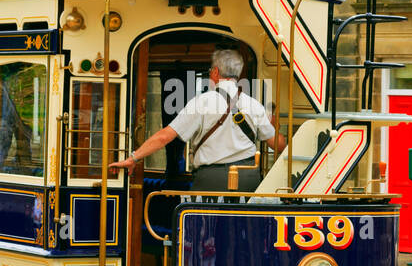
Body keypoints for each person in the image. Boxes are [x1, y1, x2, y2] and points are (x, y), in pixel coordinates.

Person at [109, 49, 286, 192]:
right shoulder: (254, 105)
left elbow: (164, 137)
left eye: (210, 71)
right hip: (248, 179)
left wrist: (133, 158)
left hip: (212, 180)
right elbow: (278, 145)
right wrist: (273, 124)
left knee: (202, 232)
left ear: (216, 72)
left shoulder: (201, 102)